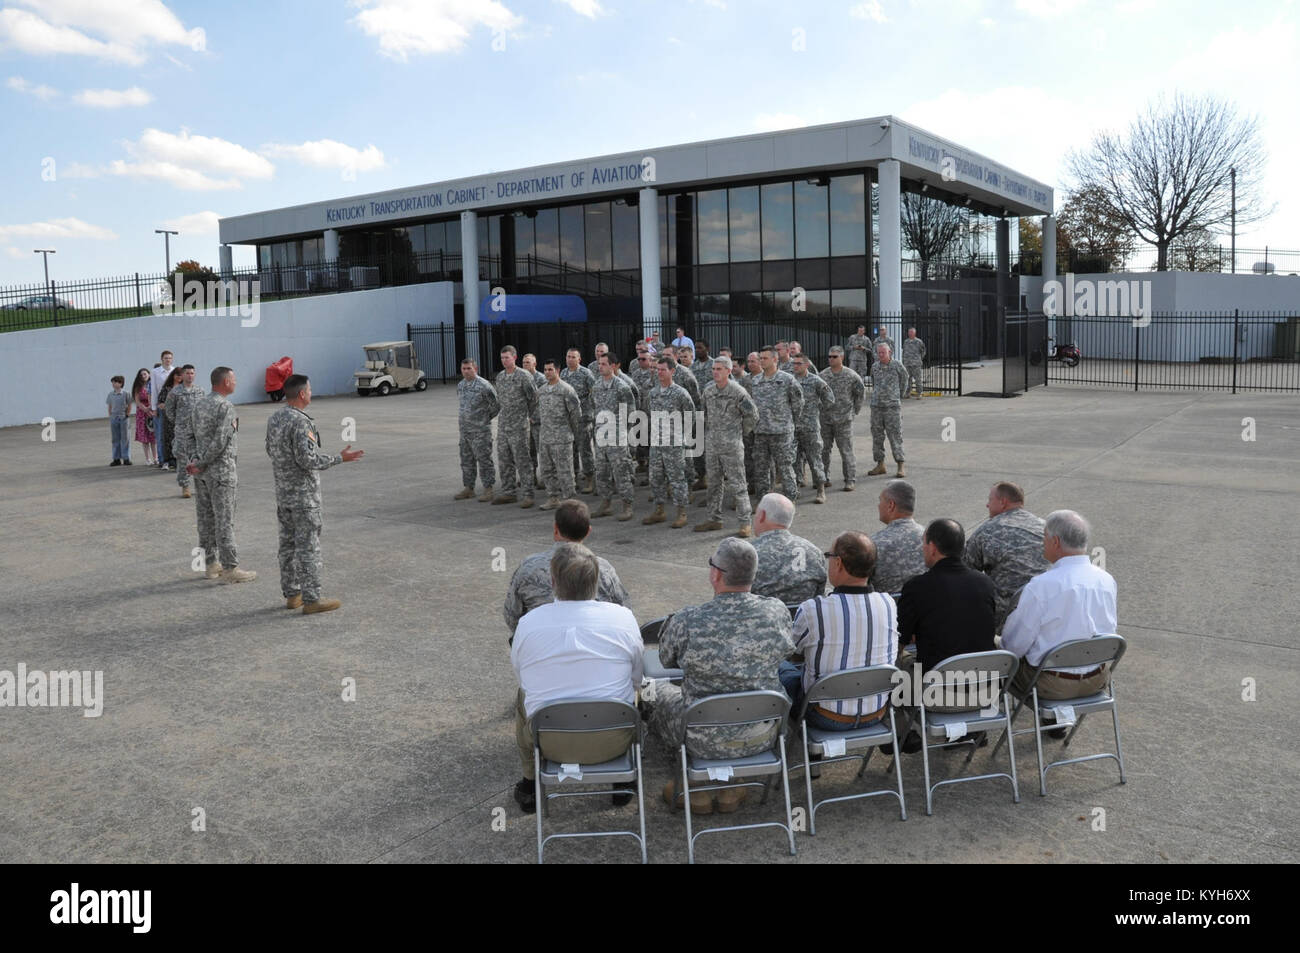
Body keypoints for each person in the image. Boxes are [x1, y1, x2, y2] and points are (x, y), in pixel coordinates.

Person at [645, 537, 795, 814]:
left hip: (701, 735)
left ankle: (694, 787)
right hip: (761, 732)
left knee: (653, 695)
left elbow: (666, 661)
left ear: (716, 574)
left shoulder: (687, 620)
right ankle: (730, 784)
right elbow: (785, 653)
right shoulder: (777, 611)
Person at [510, 542, 643, 814]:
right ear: (596, 580)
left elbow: (523, 678)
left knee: (522, 698)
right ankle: (621, 781)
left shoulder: (528, 623)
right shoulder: (624, 618)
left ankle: (531, 783)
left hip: (550, 741)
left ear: (553, 581)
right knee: (635, 693)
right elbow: (637, 676)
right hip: (614, 738)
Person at [265, 373, 364, 614]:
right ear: (301, 394)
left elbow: (270, 450)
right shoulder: (301, 421)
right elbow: (307, 459)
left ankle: (292, 594)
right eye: (309, 390)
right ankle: (312, 599)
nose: (311, 393)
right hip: (303, 497)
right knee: (308, 547)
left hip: (284, 494)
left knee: (287, 546)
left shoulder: (275, 418)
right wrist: (340, 457)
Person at [780, 532, 897, 731]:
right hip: (876, 713)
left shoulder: (813, 609)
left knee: (781, 668)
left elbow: (790, 652)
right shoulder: (888, 603)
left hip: (823, 716)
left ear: (839, 563)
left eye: (829, 556)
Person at [1002, 510, 1117, 709]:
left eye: (1044, 537)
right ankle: (1058, 723)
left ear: (1055, 542)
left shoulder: (1041, 586)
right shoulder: (1106, 580)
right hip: (1097, 681)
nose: (1042, 543)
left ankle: (974, 726)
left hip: (1050, 685)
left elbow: (1014, 646)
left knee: (994, 653)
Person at [503, 499, 631, 638]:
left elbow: (512, 615)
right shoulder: (604, 569)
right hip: (593, 646)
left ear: (556, 529)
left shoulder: (528, 567)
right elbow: (624, 611)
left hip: (541, 645)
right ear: (588, 531)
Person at [897, 518, 996, 674]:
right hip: (983, 686)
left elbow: (899, 642)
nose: (923, 549)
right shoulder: (986, 583)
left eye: (924, 544)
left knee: (899, 657)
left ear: (932, 548)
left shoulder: (917, 587)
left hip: (936, 688)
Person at [186, 366, 255, 583]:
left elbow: (188, 437)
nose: (235, 382)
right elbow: (221, 440)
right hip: (221, 472)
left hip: (202, 473)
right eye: (233, 379)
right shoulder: (225, 406)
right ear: (225, 382)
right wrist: (203, 461)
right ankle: (230, 568)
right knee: (224, 521)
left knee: (206, 520)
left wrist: (194, 461)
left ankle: (211, 564)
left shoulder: (199, 405)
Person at [963, 482, 1051, 631]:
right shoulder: (1045, 527)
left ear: (1002, 502)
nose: (987, 505)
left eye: (990, 500)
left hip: (1006, 620)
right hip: (1048, 613)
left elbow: (964, 573)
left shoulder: (986, 531)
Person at [693, 355, 758, 537]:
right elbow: (704, 414)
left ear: (729, 371)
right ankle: (714, 519)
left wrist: (739, 433)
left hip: (731, 446)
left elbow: (752, 415)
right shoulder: (709, 391)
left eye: (719, 369)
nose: (715, 372)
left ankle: (745, 523)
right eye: (713, 369)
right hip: (713, 445)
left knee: (738, 484)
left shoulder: (738, 392)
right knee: (713, 484)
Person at [642, 355, 695, 529]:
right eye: (657, 369)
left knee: (677, 478)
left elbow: (691, 416)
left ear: (672, 371)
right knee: (655, 478)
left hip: (674, 444)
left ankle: (682, 512)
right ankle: (659, 510)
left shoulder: (680, 393)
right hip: (657, 443)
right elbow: (648, 414)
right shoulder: (653, 393)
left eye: (663, 370)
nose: (660, 373)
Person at [749, 492, 826, 604]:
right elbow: (820, 592)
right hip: (805, 618)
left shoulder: (748, 553)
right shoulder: (813, 551)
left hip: (763, 619)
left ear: (762, 515)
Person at [751, 345, 803, 502]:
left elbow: (798, 403)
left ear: (775, 359)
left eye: (765, 358)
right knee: (761, 469)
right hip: (761, 432)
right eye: (760, 358)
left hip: (781, 432)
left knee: (785, 468)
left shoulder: (787, 379)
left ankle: (790, 499)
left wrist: (788, 422)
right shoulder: (755, 380)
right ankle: (763, 501)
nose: (762, 361)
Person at [590, 351, 638, 521]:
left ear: (612, 366)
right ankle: (606, 503)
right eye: (599, 364)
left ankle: (627, 505)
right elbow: (593, 408)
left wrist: (621, 433)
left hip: (617, 437)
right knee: (601, 472)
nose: (600, 367)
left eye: (604, 364)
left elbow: (630, 413)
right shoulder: (596, 386)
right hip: (601, 436)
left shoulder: (621, 387)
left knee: (621, 472)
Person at [491, 346, 538, 507]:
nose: (504, 361)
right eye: (502, 358)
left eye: (507, 358)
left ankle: (528, 494)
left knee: (523, 461)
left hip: (519, 426)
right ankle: (508, 492)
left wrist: (530, 417)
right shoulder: (500, 377)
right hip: (504, 425)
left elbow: (534, 399)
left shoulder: (524, 376)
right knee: (504, 460)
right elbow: (500, 401)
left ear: (514, 358)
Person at [536, 359, 583, 509]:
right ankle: (553, 498)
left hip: (562, 438)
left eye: (551, 369)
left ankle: (570, 500)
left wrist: (569, 431)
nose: (548, 373)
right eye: (545, 370)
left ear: (557, 370)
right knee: (547, 470)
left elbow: (576, 414)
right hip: (545, 438)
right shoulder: (541, 390)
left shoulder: (566, 390)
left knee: (565, 471)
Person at [819, 346, 865, 492]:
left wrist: (854, 412)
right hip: (826, 419)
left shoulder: (851, 375)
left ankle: (850, 479)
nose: (831, 359)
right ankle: (824, 478)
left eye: (834, 357)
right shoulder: (823, 375)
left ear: (842, 358)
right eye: (830, 357)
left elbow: (860, 393)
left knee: (846, 451)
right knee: (824, 450)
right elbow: (817, 394)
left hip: (844, 420)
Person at [791, 353, 834, 503]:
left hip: (810, 428)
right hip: (793, 428)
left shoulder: (816, 381)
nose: (795, 366)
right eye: (794, 363)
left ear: (806, 365)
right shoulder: (790, 381)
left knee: (815, 460)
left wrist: (816, 411)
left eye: (798, 364)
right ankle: (794, 490)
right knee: (793, 461)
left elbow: (829, 399)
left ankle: (820, 490)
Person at [455, 358, 499, 501]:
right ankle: (469, 488)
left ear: (476, 369)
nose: (466, 371)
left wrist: (483, 419)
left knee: (484, 459)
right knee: (466, 460)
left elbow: (496, 406)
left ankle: (488, 489)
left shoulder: (484, 386)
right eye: (464, 368)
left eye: (469, 368)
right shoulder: (461, 385)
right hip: (465, 431)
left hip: (480, 431)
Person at [870, 479, 925, 594]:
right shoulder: (930, 540)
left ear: (891, 505)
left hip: (889, 610)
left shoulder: (874, 544)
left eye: (880, 501)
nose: (878, 506)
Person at [867, 343, 909, 478]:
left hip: (892, 407)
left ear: (889, 352)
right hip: (877, 407)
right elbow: (874, 382)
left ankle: (900, 464)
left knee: (895, 436)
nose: (880, 355)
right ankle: (880, 464)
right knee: (877, 436)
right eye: (878, 353)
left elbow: (905, 379)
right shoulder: (874, 367)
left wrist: (898, 395)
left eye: (883, 353)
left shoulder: (897, 365)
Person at [561, 348, 596, 494]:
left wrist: (591, 412)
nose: (570, 359)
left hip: (583, 417)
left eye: (573, 357)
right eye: (568, 356)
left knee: (585, 448)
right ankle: (573, 477)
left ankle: (590, 479)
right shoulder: (563, 373)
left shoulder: (586, 373)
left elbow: (594, 392)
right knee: (571, 449)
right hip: (569, 418)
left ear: (579, 359)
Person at [168, 365, 204, 498]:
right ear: (182, 375)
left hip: (198, 429)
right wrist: (179, 423)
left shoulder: (200, 391)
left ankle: (201, 485)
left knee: (199, 457)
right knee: (182, 458)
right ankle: (185, 486)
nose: (190, 375)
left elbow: (203, 408)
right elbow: (169, 410)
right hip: (182, 430)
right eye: (187, 373)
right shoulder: (175, 392)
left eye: (192, 373)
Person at [149, 350, 176, 466]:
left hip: (173, 406)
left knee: (173, 434)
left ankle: (173, 458)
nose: (168, 360)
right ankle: (162, 459)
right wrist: (154, 408)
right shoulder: (155, 372)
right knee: (160, 434)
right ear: (161, 359)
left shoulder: (175, 371)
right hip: (161, 405)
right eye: (166, 358)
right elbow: (154, 391)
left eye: (170, 358)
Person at [156, 367, 183, 471]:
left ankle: (179, 461)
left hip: (181, 419)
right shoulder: (167, 388)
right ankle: (168, 461)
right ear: (173, 375)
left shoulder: (185, 388)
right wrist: (169, 406)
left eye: (181, 375)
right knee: (168, 439)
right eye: (177, 375)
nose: (179, 377)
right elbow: (160, 403)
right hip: (168, 419)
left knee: (180, 440)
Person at [130, 368, 157, 466]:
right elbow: (137, 401)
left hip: (152, 411)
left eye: (145, 374)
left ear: (149, 374)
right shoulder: (138, 387)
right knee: (145, 438)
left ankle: (156, 458)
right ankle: (148, 459)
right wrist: (145, 409)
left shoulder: (153, 385)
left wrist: (151, 408)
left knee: (153, 438)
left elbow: (155, 398)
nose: (143, 376)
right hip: (142, 414)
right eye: (141, 375)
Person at [106, 375, 130, 465]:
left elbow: (129, 404)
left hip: (123, 417)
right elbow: (110, 406)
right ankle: (116, 458)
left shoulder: (126, 393)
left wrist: (127, 414)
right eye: (113, 382)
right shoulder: (111, 394)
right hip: (114, 417)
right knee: (115, 439)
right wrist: (110, 416)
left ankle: (126, 458)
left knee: (125, 438)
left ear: (120, 383)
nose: (113, 384)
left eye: (115, 382)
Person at [902, 328, 927, 399]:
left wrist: (919, 359)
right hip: (907, 363)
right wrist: (904, 360)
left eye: (912, 332)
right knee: (907, 379)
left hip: (916, 364)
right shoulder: (906, 342)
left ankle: (919, 393)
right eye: (909, 332)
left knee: (918, 379)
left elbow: (923, 351)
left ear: (915, 333)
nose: (910, 334)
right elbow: (904, 351)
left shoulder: (919, 342)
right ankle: (907, 392)